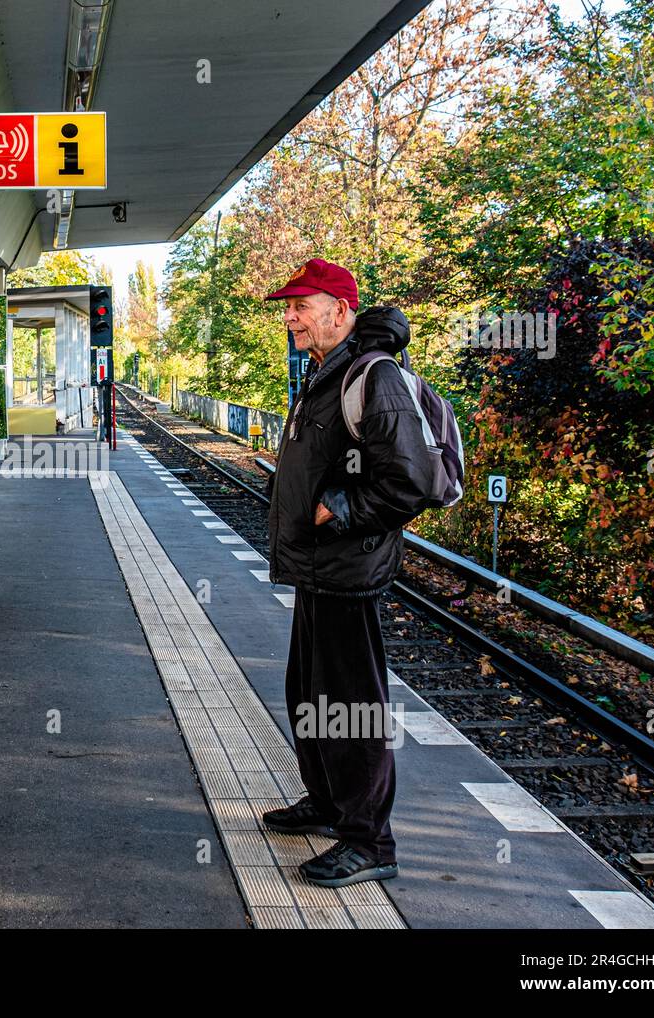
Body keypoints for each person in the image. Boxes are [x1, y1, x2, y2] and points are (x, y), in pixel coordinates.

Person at [261, 259, 436, 887]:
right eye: (288, 307)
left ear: (340, 307)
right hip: (318, 565)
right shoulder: (327, 371)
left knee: (353, 704)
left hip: (347, 564)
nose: (289, 318)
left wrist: (337, 509)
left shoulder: (375, 376)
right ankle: (332, 805)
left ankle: (370, 840)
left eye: (300, 306)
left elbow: (408, 481)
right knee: (310, 693)